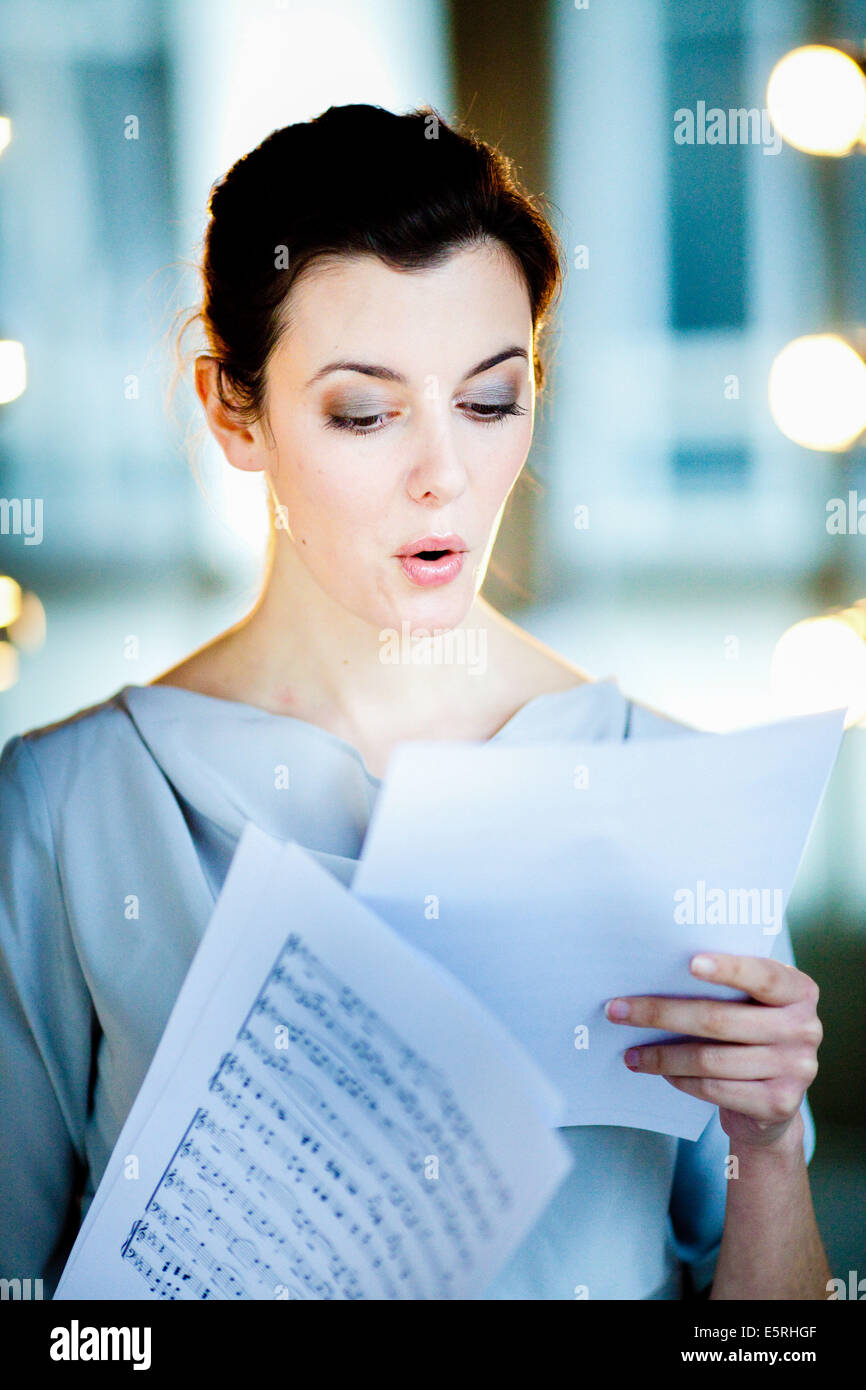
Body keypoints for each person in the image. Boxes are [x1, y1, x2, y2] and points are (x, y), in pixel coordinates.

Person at [0, 103, 828, 1300]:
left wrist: (766, 1150)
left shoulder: (676, 802)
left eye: (489, 401)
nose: (442, 474)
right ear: (235, 408)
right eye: (362, 411)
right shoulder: (64, 809)